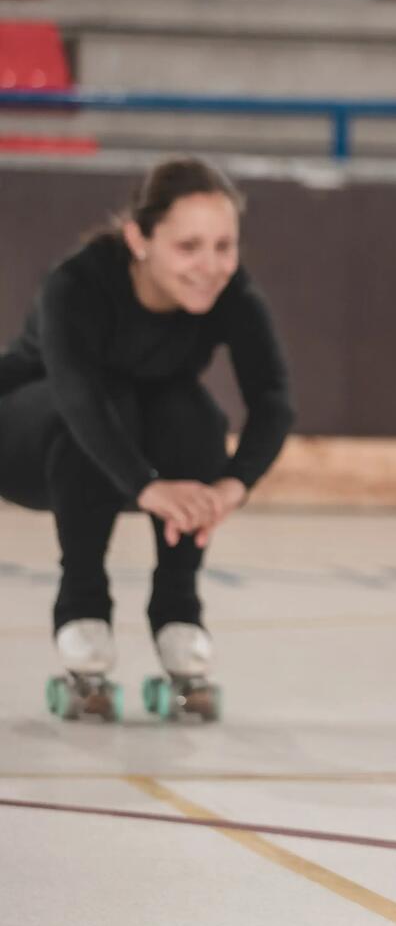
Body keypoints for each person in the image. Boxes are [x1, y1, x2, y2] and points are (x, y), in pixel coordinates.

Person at [0, 157, 295, 721]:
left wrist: (235, 484)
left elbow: (274, 398)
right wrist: (145, 487)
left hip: (128, 434)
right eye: (189, 247)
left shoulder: (232, 293)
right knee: (101, 410)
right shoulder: (77, 283)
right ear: (139, 238)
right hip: (27, 433)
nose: (210, 267)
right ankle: (82, 607)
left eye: (223, 246)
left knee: (195, 417)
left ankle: (178, 610)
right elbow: (77, 397)